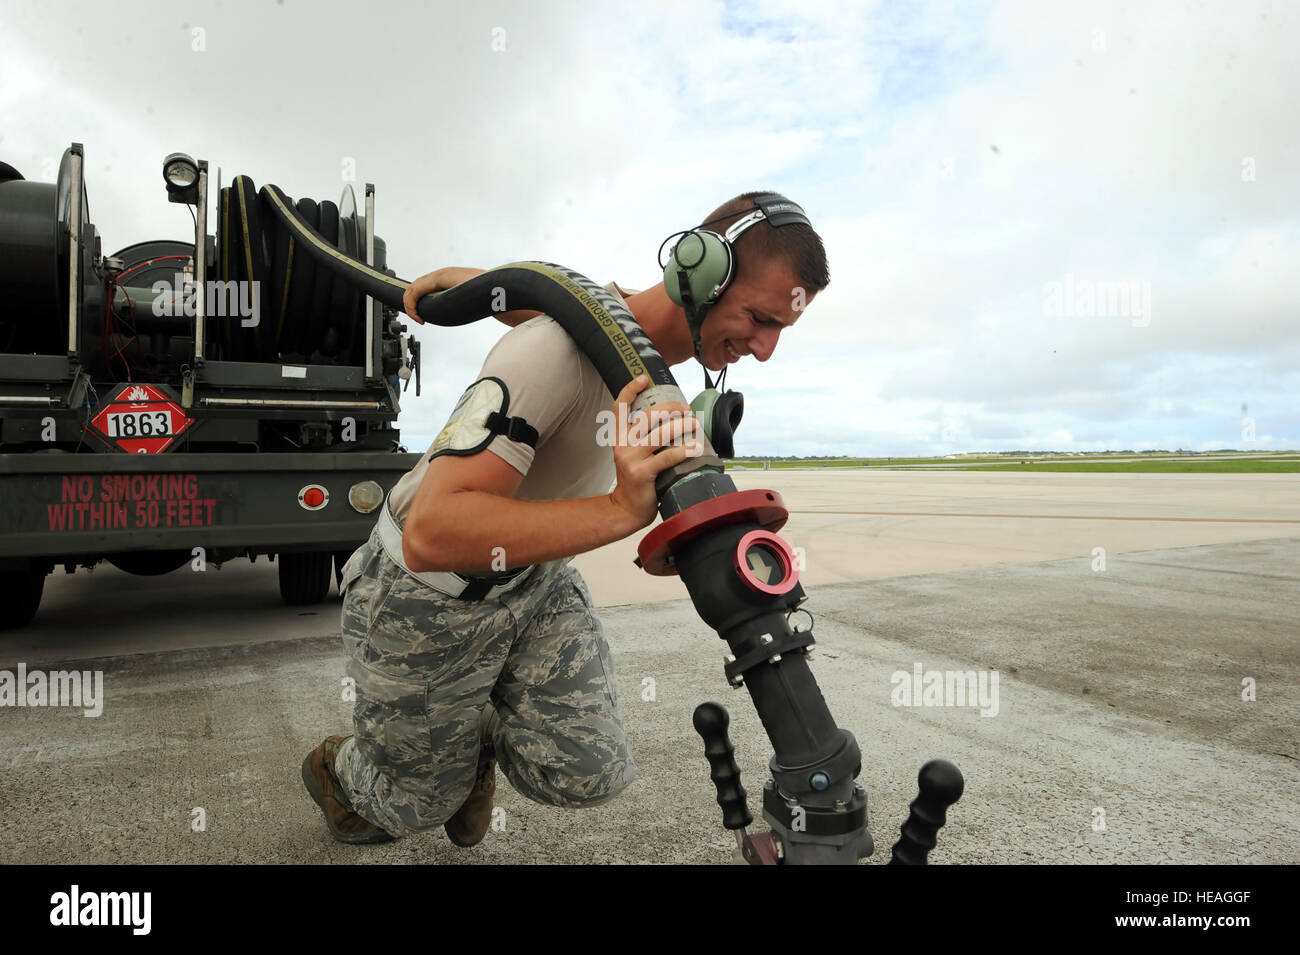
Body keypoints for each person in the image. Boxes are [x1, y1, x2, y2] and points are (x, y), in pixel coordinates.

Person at [301, 191, 830, 847]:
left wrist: (481, 288)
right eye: (758, 317)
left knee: (589, 771)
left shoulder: (637, 363)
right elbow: (433, 531)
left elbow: (566, 307)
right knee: (404, 810)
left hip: (534, 581)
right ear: (698, 271)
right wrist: (617, 511)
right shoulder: (547, 352)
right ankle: (348, 770)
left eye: (782, 327)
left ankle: (469, 736)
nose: (767, 348)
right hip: (423, 596)